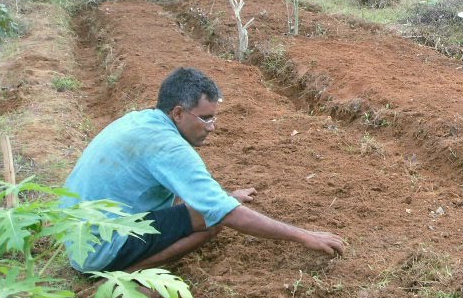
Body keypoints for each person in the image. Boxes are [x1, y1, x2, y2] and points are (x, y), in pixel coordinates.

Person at [62, 66, 345, 273]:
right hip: (99, 250)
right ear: (178, 113)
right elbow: (223, 213)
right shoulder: (170, 148)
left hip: (78, 235)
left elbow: (192, 193)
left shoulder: (142, 121)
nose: (212, 127)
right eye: (206, 118)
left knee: (200, 208)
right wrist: (304, 235)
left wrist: (224, 198)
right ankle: (123, 273)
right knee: (213, 222)